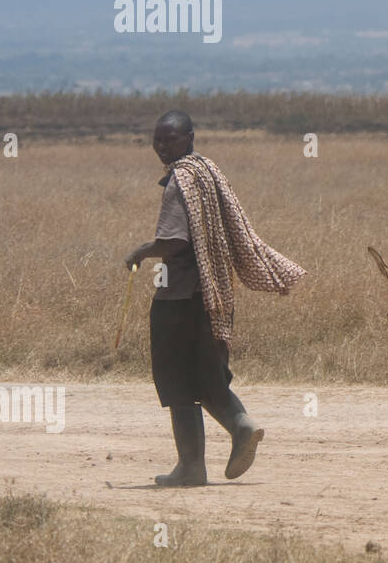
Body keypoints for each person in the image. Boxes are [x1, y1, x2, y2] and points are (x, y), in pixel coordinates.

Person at [123, 110, 306, 486]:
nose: (161, 146)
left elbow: (174, 241)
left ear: (189, 137)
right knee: (206, 377)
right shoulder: (207, 171)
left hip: (179, 300)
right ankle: (242, 425)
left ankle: (192, 467)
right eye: (157, 139)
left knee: (177, 383)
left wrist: (141, 251)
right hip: (213, 295)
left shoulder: (181, 179)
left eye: (169, 139)